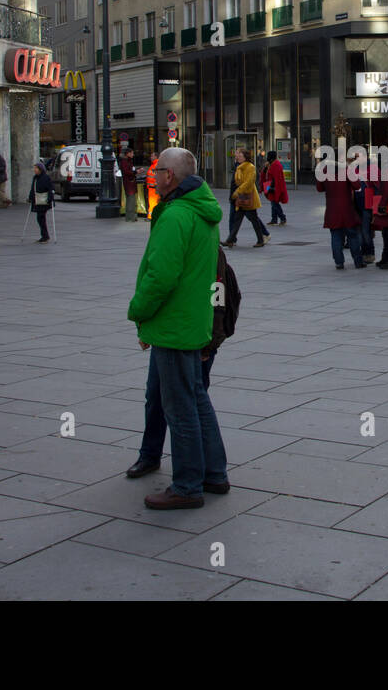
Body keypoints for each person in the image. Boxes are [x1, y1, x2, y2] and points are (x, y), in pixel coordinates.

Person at [128, 148, 229, 509]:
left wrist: (137, 311)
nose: (152, 177)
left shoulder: (175, 216)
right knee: (195, 397)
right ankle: (214, 473)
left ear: (170, 176)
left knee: (180, 406)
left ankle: (187, 486)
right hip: (193, 320)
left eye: (157, 171)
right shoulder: (202, 209)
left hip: (173, 324)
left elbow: (161, 276)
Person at [127, 246, 235, 479]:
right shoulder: (181, 240)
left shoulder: (206, 247)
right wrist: (147, 328)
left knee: (193, 400)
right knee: (156, 396)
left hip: (196, 339)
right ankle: (150, 454)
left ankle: (209, 472)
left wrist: (211, 343)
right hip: (168, 334)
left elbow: (218, 296)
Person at [315, 167, 365, 269]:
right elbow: (357, 185)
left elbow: (319, 188)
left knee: (335, 236)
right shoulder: (346, 169)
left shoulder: (324, 170)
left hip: (332, 209)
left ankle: (339, 262)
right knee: (352, 236)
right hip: (347, 209)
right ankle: (358, 261)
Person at [223, 148, 269, 248]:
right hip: (241, 197)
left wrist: (237, 192)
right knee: (238, 220)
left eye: (240, 155)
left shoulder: (250, 167)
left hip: (248, 197)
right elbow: (237, 181)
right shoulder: (239, 167)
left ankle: (261, 239)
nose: (237, 157)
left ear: (245, 157)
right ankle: (230, 240)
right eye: (237, 155)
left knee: (254, 220)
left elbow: (248, 183)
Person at [262, 150, 289, 225]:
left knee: (274, 203)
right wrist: (266, 167)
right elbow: (264, 173)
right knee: (272, 201)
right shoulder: (271, 164)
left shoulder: (276, 165)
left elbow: (276, 178)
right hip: (270, 185)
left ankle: (282, 218)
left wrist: (271, 187)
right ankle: (274, 219)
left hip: (273, 186)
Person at [30, 160, 53, 243]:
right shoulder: (35, 178)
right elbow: (33, 188)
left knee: (41, 217)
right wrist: (30, 197)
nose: (35, 170)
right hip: (37, 200)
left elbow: (50, 189)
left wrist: (50, 198)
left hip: (44, 201)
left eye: (36, 168)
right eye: (34, 168)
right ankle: (44, 236)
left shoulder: (46, 178)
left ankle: (45, 236)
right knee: (40, 218)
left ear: (40, 169)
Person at [119, 148, 139, 222]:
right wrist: (136, 172)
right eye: (132, 153)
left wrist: (135, 171)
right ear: (128, 154)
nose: (133, 155)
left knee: (131, 200)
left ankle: (131, 217)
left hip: (130, 183)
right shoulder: (125, 162)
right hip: (129, 183)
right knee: (131, 201)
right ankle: (130, 217)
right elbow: (127, 172)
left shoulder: (127, 161)